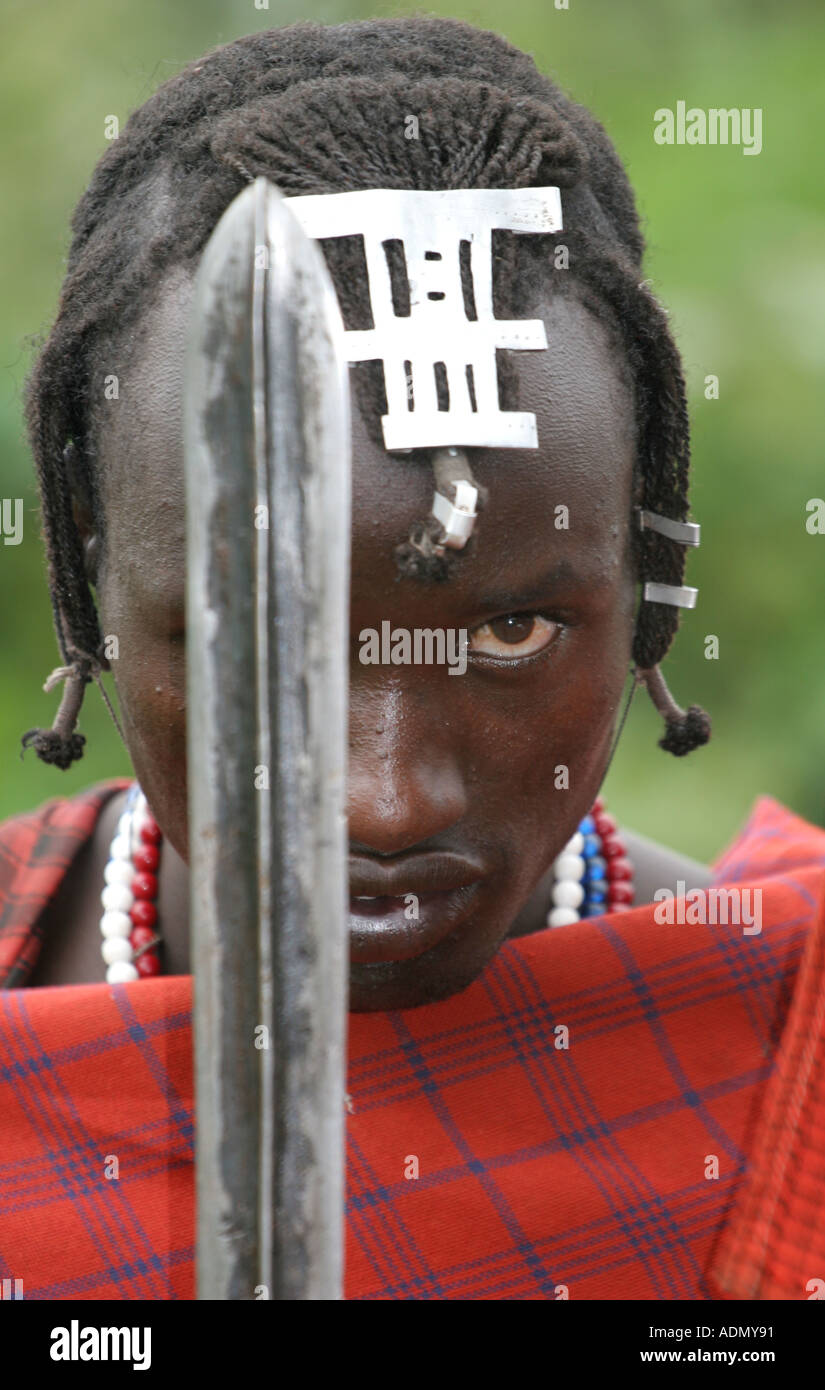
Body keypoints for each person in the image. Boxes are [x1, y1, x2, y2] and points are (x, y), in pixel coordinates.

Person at [1, 18, 823, 1302]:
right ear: (91, 577)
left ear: (648, 590)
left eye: (510, 631)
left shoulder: (789, 1060)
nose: (383, 801)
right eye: (256, 631)